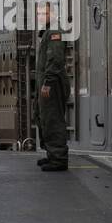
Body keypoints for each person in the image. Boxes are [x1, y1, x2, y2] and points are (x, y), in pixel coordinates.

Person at [35, 25, 69, 171]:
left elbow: (55, 59)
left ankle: (58, 159)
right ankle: (52, 154)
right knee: (43, 117)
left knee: (52, 119)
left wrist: (48, 82)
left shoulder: (55, 31)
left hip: (53, 83)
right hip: (46, 82)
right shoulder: (47, 32)